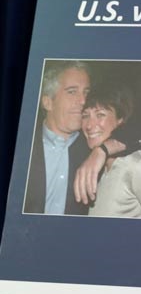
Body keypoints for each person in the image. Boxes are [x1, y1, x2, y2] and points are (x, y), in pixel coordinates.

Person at [24, 60, 123, 215]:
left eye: (86, 92)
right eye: (72, 92)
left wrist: (103, 149)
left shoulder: (94, 144)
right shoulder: (22, 145)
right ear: (48, 102)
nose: (83, 101)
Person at [80, 85, 141, 218]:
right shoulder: (99, 169)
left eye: (100, 115)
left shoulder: (137, 164)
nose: (89, 125)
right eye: (85, 116)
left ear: (120, 120)